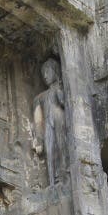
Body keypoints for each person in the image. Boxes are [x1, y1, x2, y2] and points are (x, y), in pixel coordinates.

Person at [32, 58, 66, 186]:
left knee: (62, 147)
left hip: (59, 120)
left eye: (48, 71)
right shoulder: (40, 97)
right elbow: (38, 122)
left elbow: (64, 102)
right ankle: (52, 182)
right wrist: (38, 139)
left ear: (55, 71)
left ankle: (63, 177)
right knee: (50, 150)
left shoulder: (60, 88)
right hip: (48, 123)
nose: (45, 76)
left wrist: (59, 90)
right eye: (43, 73)